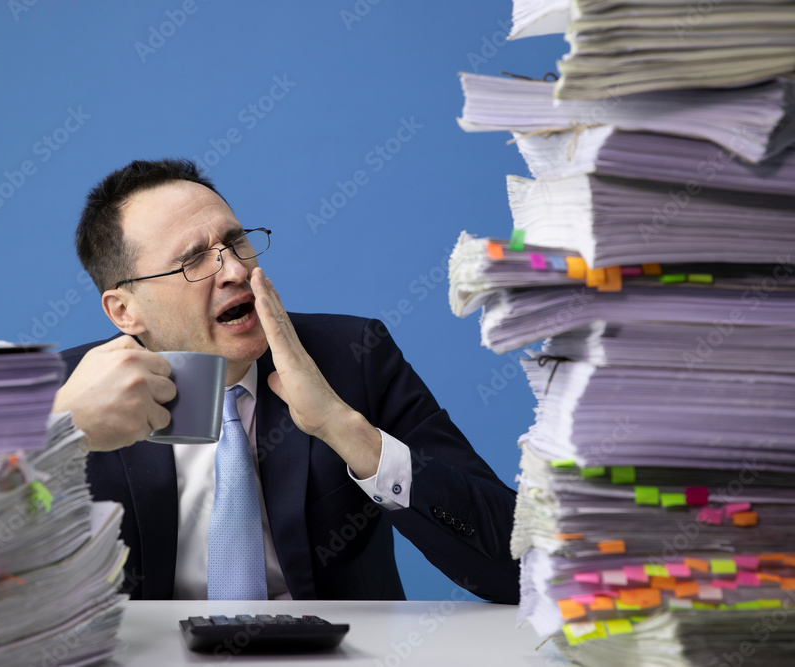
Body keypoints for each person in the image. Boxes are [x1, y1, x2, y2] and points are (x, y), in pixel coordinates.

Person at [55, 158, 519, 602]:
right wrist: (52, 431)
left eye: (236, 241)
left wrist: (344, 427)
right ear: (124, 311)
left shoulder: (352, 357)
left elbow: (517, 566)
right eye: (193, 260)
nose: (237, 270)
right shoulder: (71, 393)